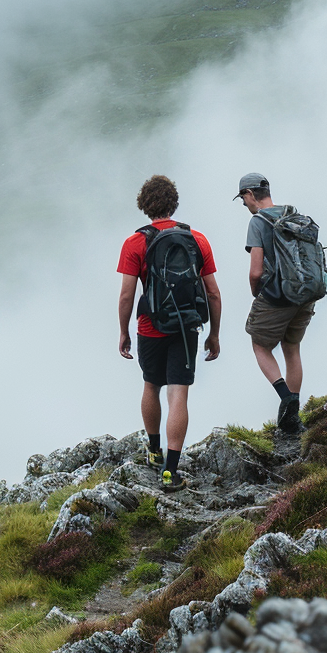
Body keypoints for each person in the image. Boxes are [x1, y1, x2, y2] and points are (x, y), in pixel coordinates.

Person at [117, 174, 221, 491]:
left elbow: (126, 296)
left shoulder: (135, 242)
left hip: (150, 327)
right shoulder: (196, 239)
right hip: (187, 326)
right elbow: (213, 293)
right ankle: (170, 471)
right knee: (179, 393)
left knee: (152, 385)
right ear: (173, 203)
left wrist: (124, 333)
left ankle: (153, 451)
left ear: (145, 206)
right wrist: (214, 333)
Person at [235, 171, 317, 433]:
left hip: (277, 296)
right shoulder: (292, 214)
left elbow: (256, 271)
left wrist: (256, 293)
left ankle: (287, 398)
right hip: (305, 293)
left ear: (249, 195)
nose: (244, 205)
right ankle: (293, 418)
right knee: (291, 348)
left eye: (243, 199)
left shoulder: (258, 222)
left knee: (260, 344)